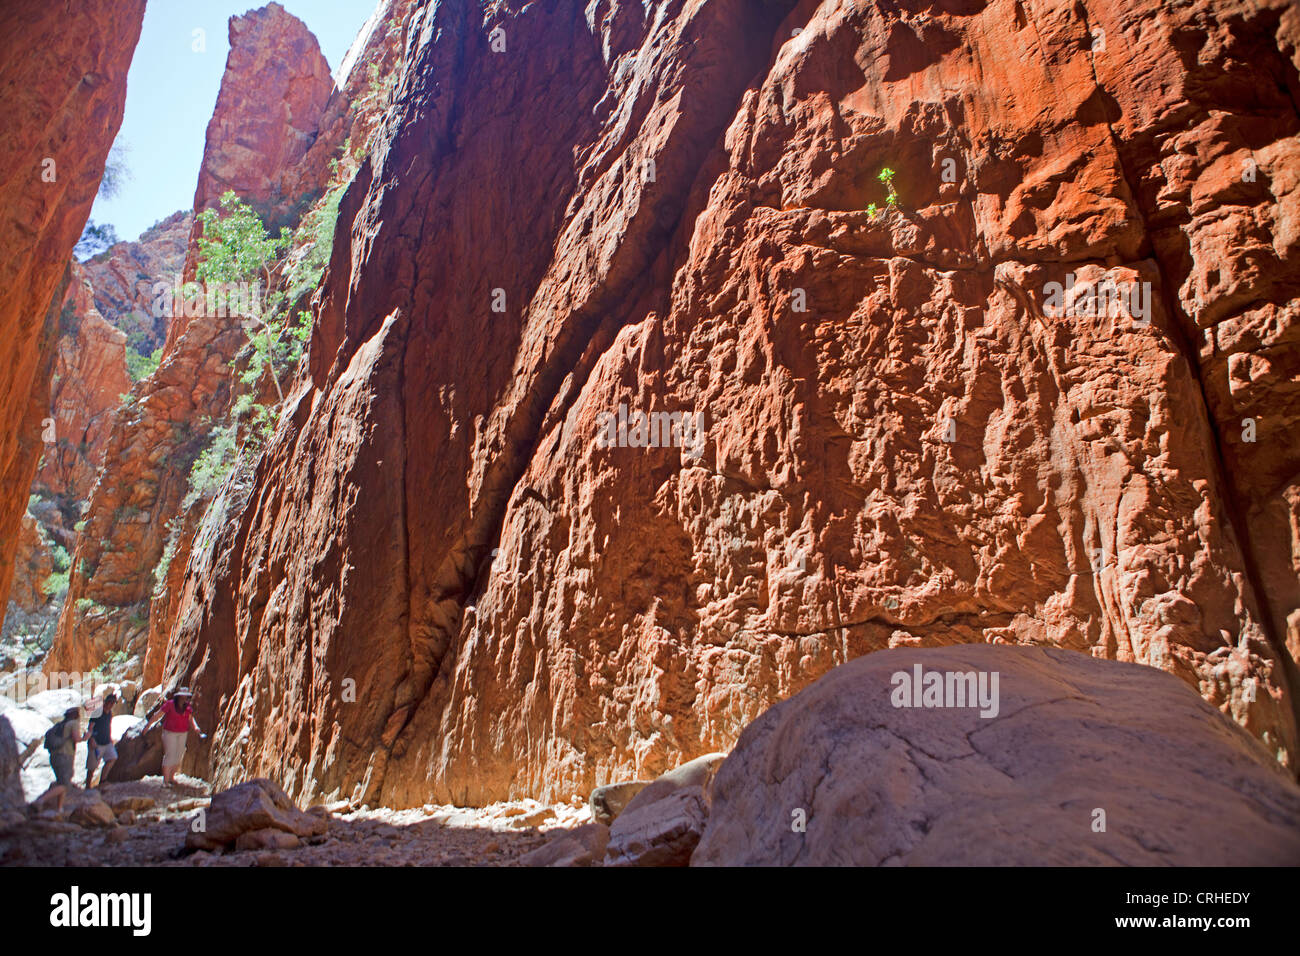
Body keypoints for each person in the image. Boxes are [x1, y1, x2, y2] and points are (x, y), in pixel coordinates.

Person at [145, 686, 206, 786]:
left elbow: (190, 718)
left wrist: (196, 727)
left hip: (182, 733)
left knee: (178, 755)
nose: (186, 699)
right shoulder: (169, 704)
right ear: (179, 696)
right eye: (184, 696)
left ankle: (171, 778)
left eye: (187, 697)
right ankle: (166, 781)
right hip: (170, 733)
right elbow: (158, 714)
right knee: (170, 754)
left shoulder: (187, 707)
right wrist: (148, 725)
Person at [42, 707, 89, 811]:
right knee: (65, 785)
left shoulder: (60, 725)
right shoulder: (73, 724)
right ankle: (41, 801)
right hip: (65, 756)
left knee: (61, 782)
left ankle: (59, 808)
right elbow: (76, 738)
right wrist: (86, 737)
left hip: (54, 756)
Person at [85, 692, 119, 787]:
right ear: (105, 701)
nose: (111, 704)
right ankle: (87, 786)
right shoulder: (97, 712)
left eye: (113, 703)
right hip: (96, 743)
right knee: (92, 767)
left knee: (112, 758)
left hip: (106, 742)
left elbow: (108, 726)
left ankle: (102, 780)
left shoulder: (109, 713)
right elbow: (90, 727)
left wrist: (110, 738)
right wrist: (91, 739)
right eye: (110, 702)